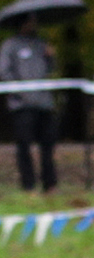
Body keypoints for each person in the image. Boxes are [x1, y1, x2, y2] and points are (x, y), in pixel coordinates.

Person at [1, 15, 57, 193]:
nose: (34, 24)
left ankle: (50, 184)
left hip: (44, 104)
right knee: (24, 145)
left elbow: (50, 70)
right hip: (22, 105)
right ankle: (28, 185)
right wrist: (20, 92)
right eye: (30, 21)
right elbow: (4, 71)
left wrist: (50, 57)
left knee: (48, 145)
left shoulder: (41, 44)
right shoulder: (10, 46)